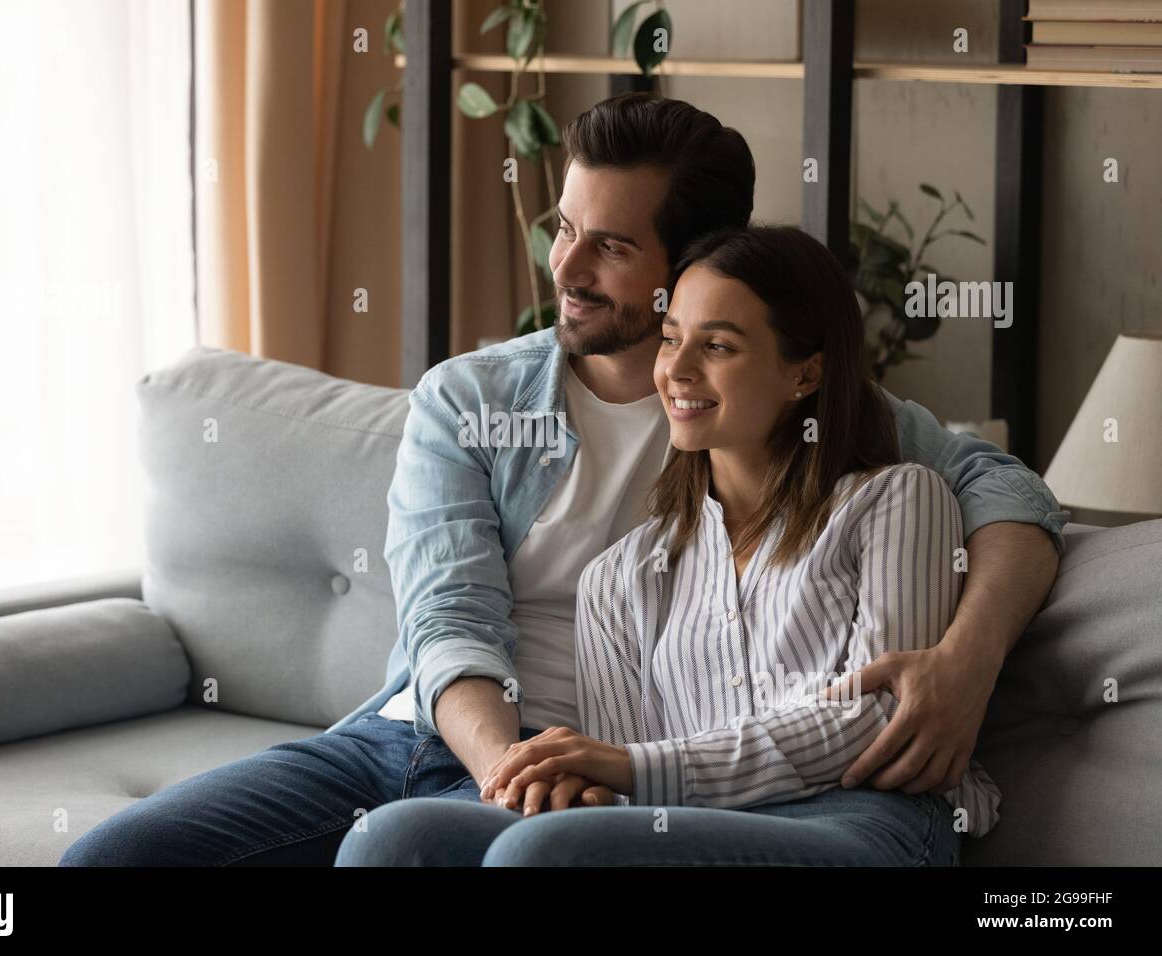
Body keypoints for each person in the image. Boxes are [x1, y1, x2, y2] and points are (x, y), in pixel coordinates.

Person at [61, 94, 1066, 867]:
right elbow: (449, 620)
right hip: (438, 741)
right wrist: (522, 766)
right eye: (564, 226)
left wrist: (966, 661)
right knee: (110, 859)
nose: (567, 266)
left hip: (632, 769)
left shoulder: (820, 419)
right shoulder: (470, 402)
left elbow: (1008, 493)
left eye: (613, 246)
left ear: (695, 258)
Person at [338, 225, 1000, 865]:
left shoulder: (896, 502)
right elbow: (627, 797)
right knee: (392, 841)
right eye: (670, 339)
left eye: (717, 347)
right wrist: (573, 781)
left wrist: (629, 767)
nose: (676, 371)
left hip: (860, 815)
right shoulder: (621, 577)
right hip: (686, 825)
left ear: (804, 374)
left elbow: (881, 721)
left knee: (540, 851)